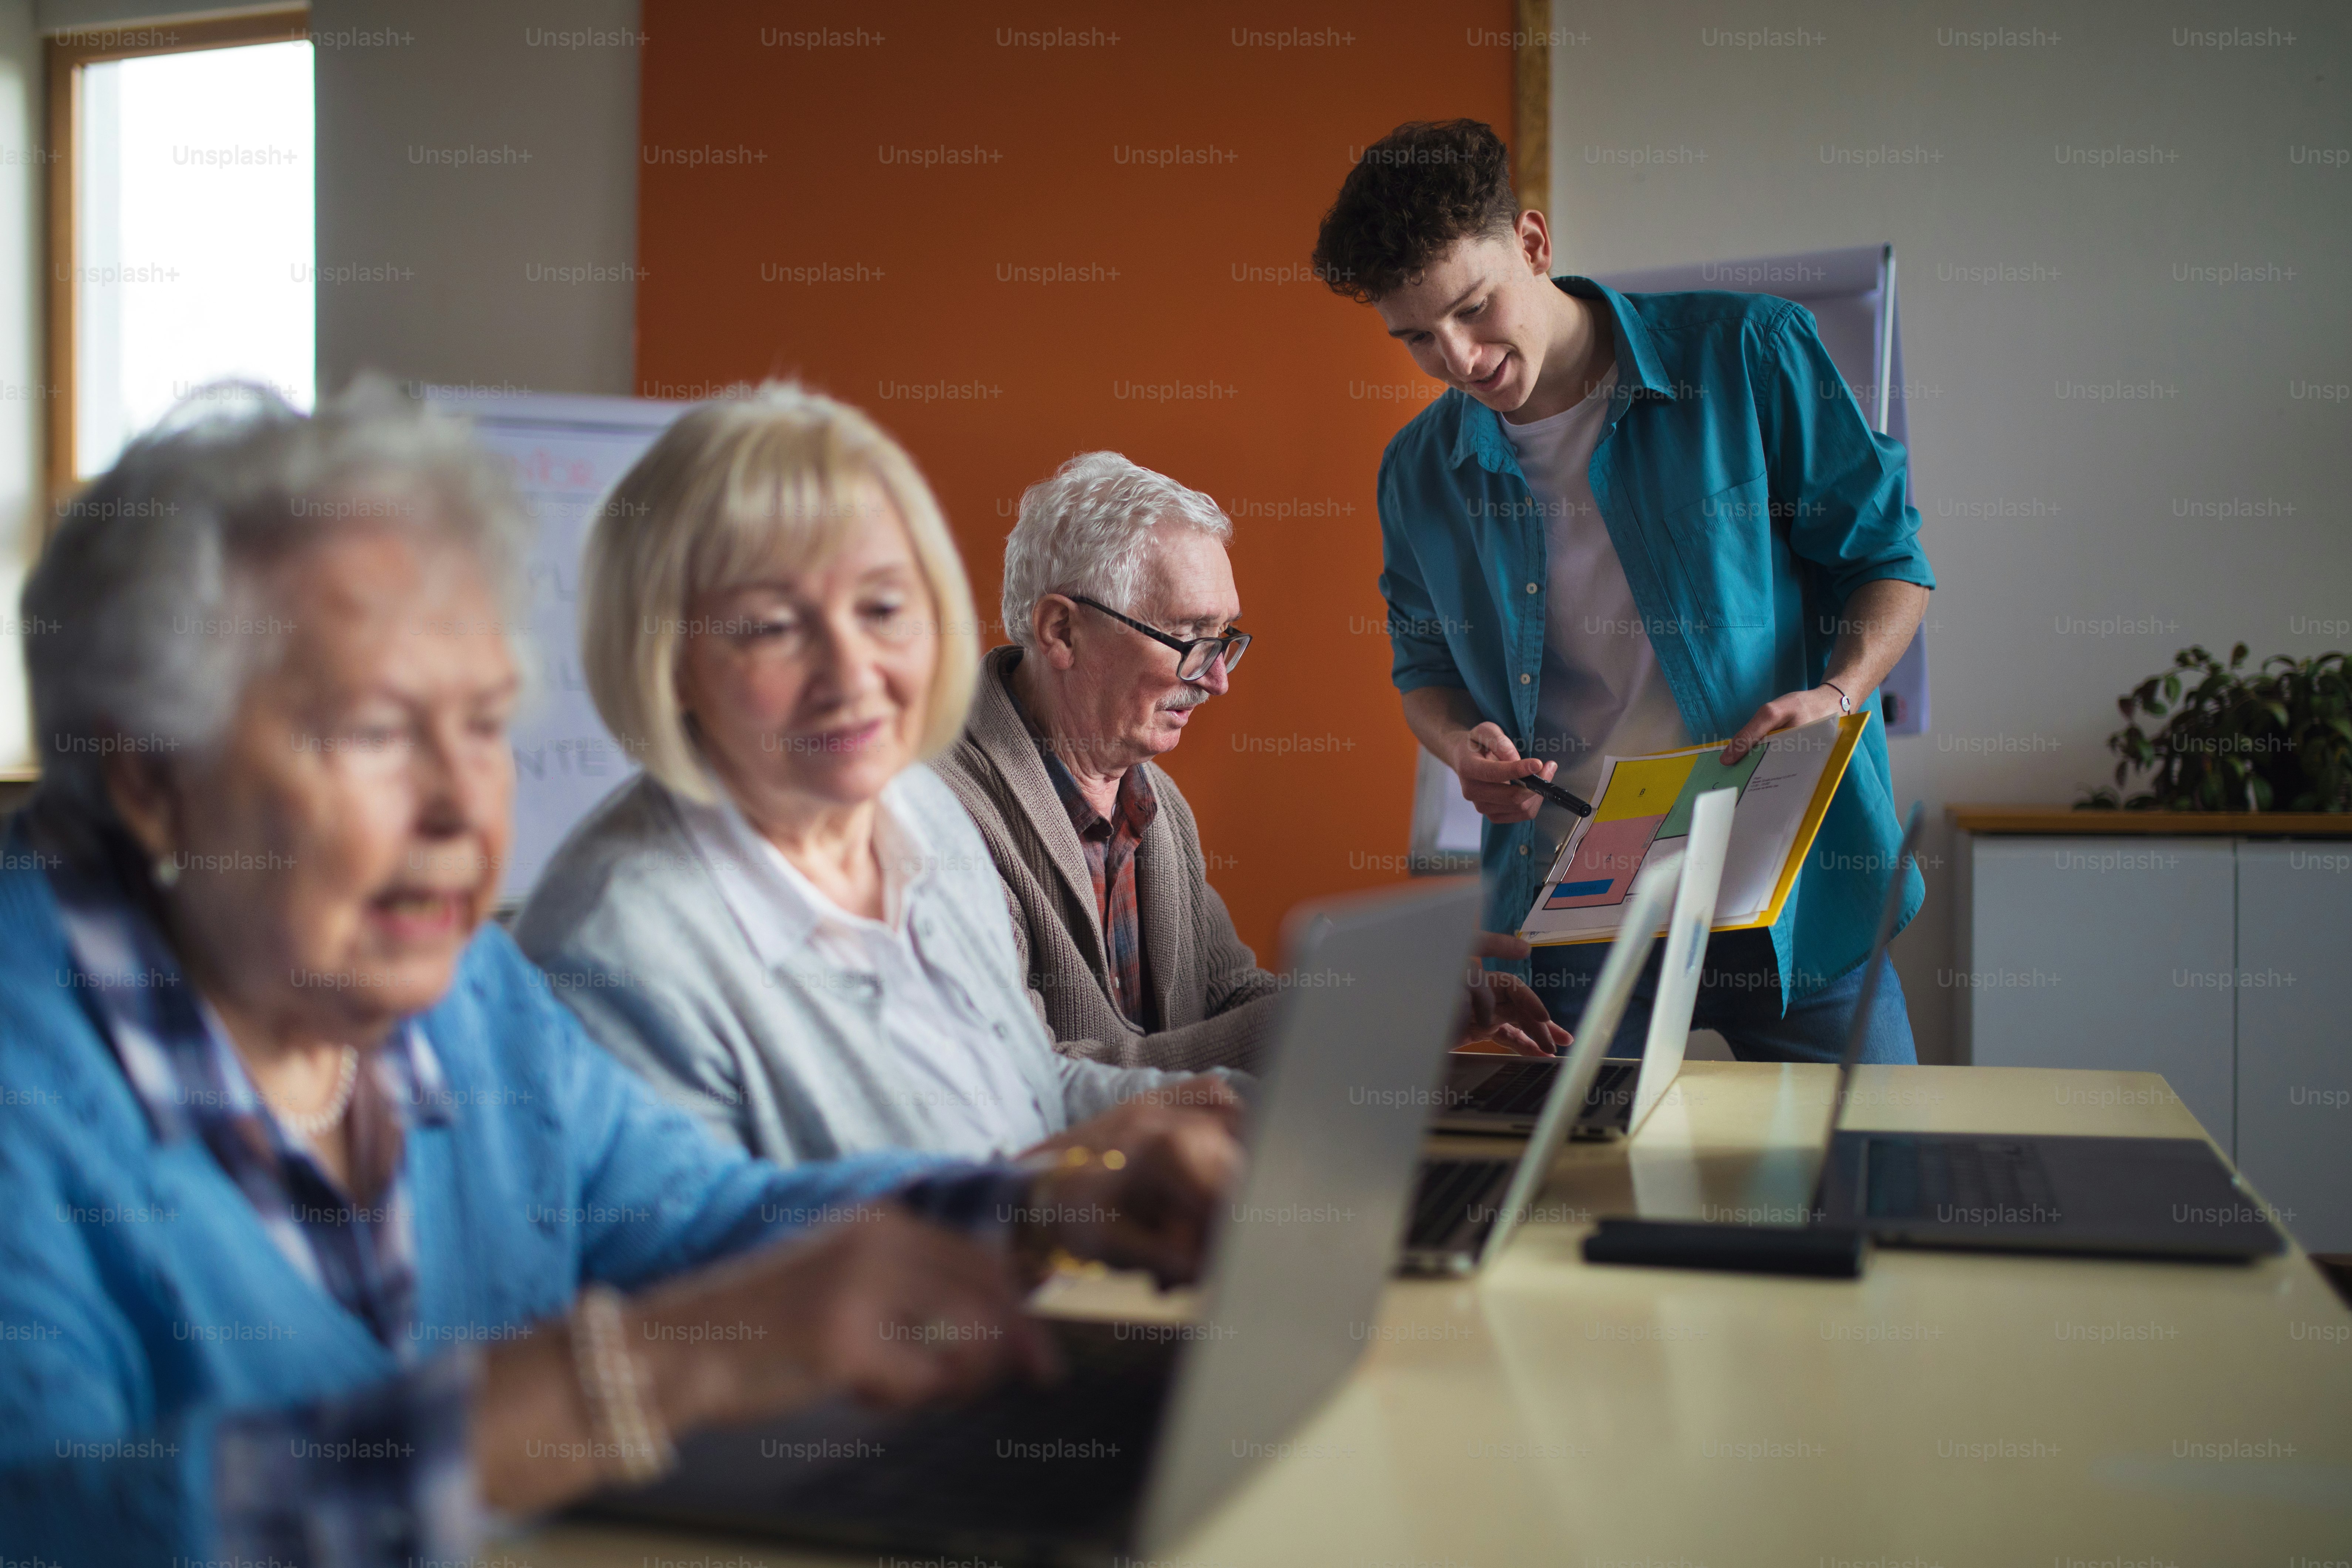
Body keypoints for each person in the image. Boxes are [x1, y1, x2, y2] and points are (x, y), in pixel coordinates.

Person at [0, 383, 1232, 1565]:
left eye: (482, 726)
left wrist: (1048, 1207)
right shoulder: (33, 1087)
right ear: (151, 777)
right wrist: (630, 1378)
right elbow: (46, 1519)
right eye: (374, 733)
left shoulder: (464, 999)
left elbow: (695, 1217)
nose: (462, 809)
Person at [1312, 119, 1935, 1064]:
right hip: (1581, 895)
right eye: (1418, 339)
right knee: (1586, 1159)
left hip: (1792, 876)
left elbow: (1887, 560)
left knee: (1867, 1148)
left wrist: (1837, 694)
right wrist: (1458, 746)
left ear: (1532, 243)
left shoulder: (1749, 352)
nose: (1460, 360)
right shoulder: (1417, 471)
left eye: (1474, 309)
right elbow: (1425, 669)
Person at [516, 387, 1247, 1165]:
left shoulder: (915, 810)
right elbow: (729, 1237)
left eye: (883, 608)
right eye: (773, 626)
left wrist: (1226, 1109)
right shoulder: (617, 943)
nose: (852, 672)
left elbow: (1023, 1092)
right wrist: (1050, 1198)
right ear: (667, 661)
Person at [935, 451, 1569, 1073]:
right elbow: (1025, 1087)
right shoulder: (933, 822)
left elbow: (1230, 1001)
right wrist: (1342, 1010)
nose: (1218, 681)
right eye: (1190, 637)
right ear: (1062, 632)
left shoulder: (1155, 801)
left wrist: (1391, 1008)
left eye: (1224, 640)